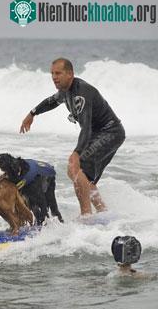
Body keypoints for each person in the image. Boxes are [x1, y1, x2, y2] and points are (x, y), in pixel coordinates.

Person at [20, 58, 125, 216]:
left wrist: (76, 152)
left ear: (70, 74)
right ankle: (103, 212)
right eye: (52, 74)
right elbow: (51, 101)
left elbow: (86, 127)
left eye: (58, 73)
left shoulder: (81, 93)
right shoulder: (65, 91)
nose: (54, 77)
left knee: (75, 167)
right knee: (83, 176)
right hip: (103, 134)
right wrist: (32, 113)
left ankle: (86, 215)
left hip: (110, 132)